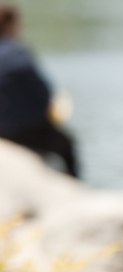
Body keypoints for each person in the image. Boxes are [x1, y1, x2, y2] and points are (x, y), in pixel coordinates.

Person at [0, 3, 78, 178]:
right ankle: (74, 188)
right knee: (67, 144)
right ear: (12, 26)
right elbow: (44, 95)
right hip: (24, 133)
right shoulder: (18, 54)